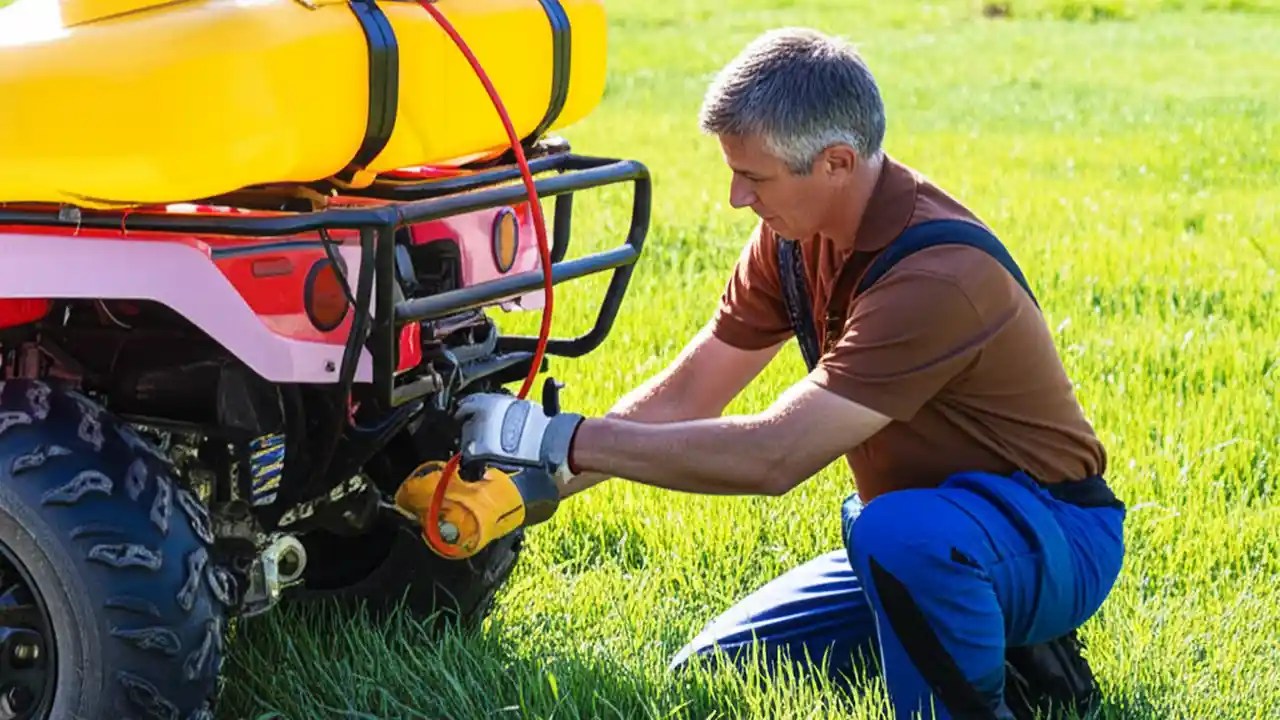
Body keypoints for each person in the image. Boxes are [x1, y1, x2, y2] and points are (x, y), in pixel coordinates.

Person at [452, 27, 1126, 720]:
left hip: (1048, 533)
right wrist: (526, 476)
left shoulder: (938, 277)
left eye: (755, 176)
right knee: (715, 669)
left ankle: (992, 681)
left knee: (899, 537)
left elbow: (776, 457)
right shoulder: (791, 240)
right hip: (918, 534)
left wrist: (562, 439)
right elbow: (689, 394)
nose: (736, 198)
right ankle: (990, 642)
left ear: (836, 162)